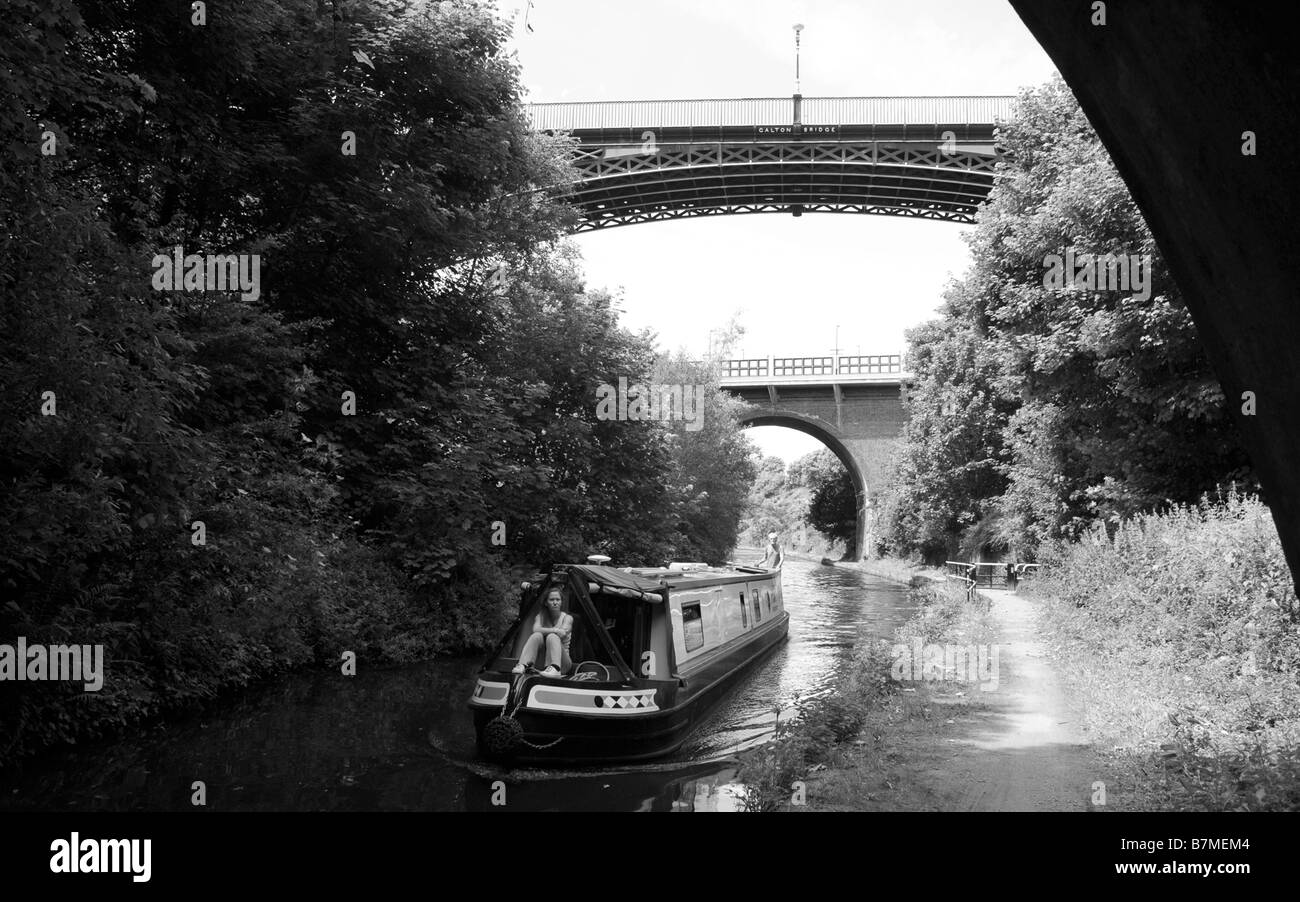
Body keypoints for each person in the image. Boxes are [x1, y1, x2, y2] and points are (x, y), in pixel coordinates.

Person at [513, 588, 574, 676]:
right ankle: (523, 665)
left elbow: (562, 633)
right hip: (543, 663)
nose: (555, 602)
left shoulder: (567, 618)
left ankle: (555, 668)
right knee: (536, 635)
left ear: (561, 602)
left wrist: (548, 631)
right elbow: (536, 629)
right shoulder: (541, 616)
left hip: (562, 663)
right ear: (546, 603)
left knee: (552, 637)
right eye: (551, 600)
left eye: (558, 600)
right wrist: (556, 630)